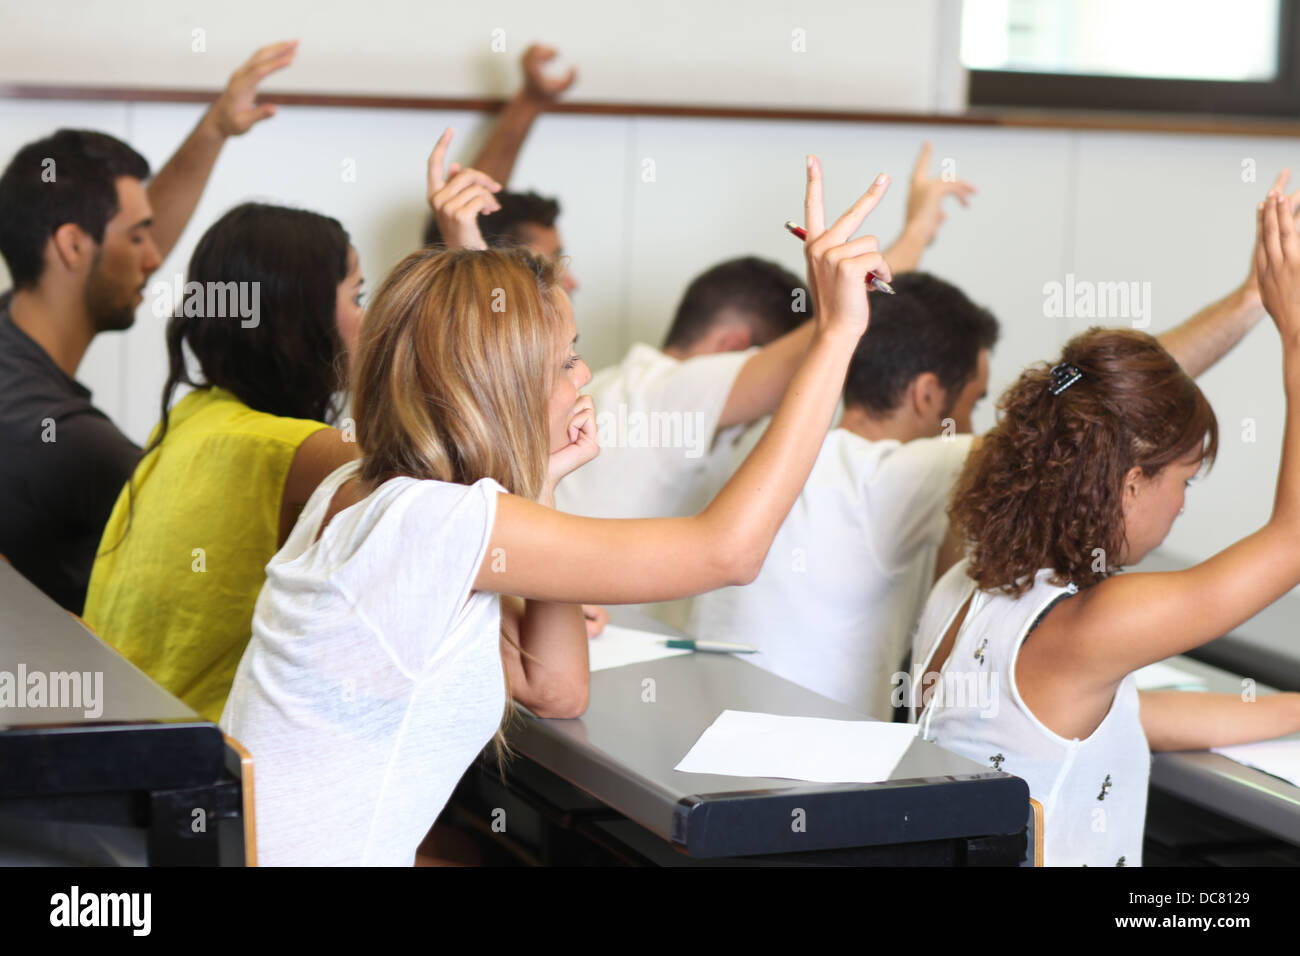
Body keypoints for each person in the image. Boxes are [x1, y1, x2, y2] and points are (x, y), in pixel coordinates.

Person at [220, 157, 893, 865]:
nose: (582, 382)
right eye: (569, 361)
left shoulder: (363, 491)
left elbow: (556, 686)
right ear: (504, 387)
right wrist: (837, 333)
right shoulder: (435, 521)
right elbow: (728, 551)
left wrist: (538, 482)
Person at [908, 187, 1300, 868]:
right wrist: (1296, 342)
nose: (1183, 504)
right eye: (1184, 478)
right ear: (1131, 482)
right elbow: (1292, 542)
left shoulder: (967, 585)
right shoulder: (1094, 622)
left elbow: (1125, 713)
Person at [0, 41, 298, 613]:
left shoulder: (12, 332)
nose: (154, 258)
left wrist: (213, 131)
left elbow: (118, 235)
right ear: (71, 245)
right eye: (137, 238)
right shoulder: (77, 445)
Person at [83, 204, 361, 722]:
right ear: (301, 314)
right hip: (203, 772)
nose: (371, 321)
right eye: (359, 297)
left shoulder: (193, 416)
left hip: (127, 750)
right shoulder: (305, 454)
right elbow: (461, 489)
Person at [687, 273, 999, 720]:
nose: (971, 423)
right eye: (974, 402)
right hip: (807, 774)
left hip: (696, 736)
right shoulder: (890, 475)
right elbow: (1031, 445)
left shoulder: (770, 446)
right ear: (927, 394)